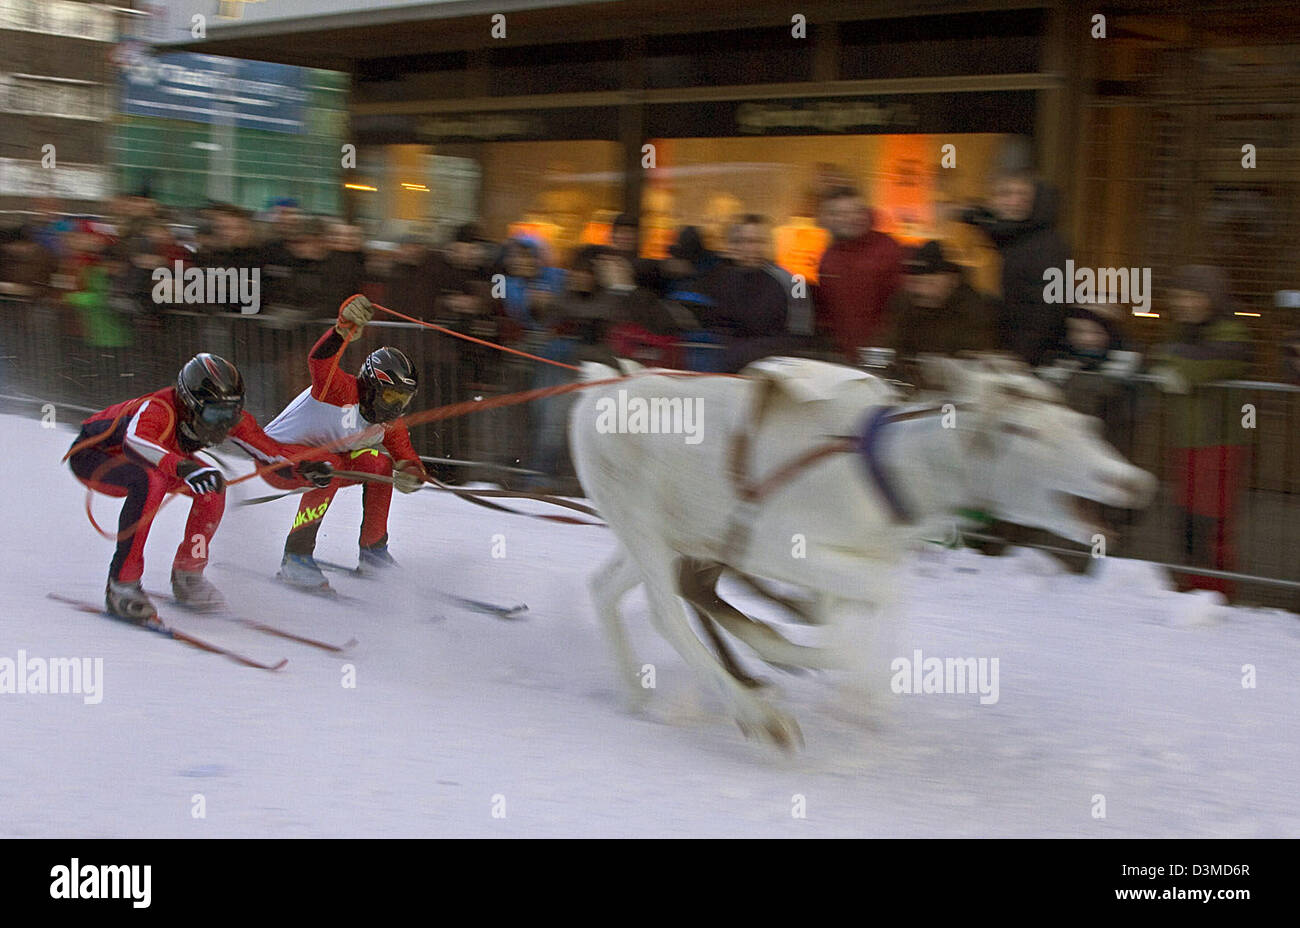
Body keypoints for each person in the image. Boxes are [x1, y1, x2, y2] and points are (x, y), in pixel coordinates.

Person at [65, 354, 333, 621]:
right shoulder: (159, 408)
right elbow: (136, 442)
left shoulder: (226, 417)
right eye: (215, 413)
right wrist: (184, 467)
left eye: (232, 411)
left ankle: (188, 574)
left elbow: (270, 451)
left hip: (158, 460)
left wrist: (304, 468)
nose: (224, 423)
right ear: (189, 403)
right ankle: (121, 585)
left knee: (212, 487)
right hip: (96, 456)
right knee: (151, 481)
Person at [262, 294, 429, 592]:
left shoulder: (391, 423)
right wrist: (343, 329)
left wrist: (411, 476)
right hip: (275, 457)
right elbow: (319, 360)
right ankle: (296, 557)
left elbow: (407, 460)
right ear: (371, 387)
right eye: (391, 396)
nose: (396, 407)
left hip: (325, 463)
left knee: (380, 464)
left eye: (404, 400)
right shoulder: (338, 390)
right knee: (330, 465)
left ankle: (373, 551)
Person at [1149, 265, 1253, 595]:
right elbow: (1159, 358)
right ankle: (1192, 585)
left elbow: (1203, 366)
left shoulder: (1232, 334)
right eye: (1180, 297)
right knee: (1188, 520)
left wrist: (1173, 362)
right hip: (1189, 443)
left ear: (1212, 299)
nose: (1186, 304)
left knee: (1212, 522)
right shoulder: (1182, 335)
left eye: (1194, 297)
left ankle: (1213, 592)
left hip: (1219, 442)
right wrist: (1171, 359)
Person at [957, 169, 1069, 367]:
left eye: (1022, 194)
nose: (1013, 201)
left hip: (1033, 356)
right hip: (1014, 349)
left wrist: (1020, 359)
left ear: (1035, 199)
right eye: (1004, 194)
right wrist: (971, 215)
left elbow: (1047, 311)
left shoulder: (1046, 247)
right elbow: (997, 229)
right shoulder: (1019, 234)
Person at [880, 240, 997, 384]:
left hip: (961, 387)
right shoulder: (904, 303)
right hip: (912, 387)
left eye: (930, 283)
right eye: (915, 283)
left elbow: (975, 356)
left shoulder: (973, 308)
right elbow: (888, 344)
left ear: (952, 280)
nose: (920, 291)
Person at [814, 188, 904, 362]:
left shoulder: (888, 249)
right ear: (829, 219)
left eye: (857, 211)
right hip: (845, 357)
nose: (851, 218)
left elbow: (901, 309)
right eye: (840, 213)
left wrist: (883, 349)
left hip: (886, 356)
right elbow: (828, 312)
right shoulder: (828, 258)